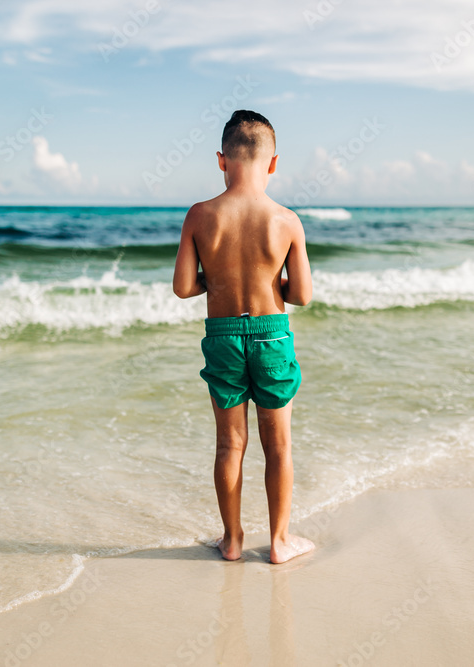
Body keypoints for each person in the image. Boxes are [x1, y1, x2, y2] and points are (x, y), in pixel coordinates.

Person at [172, 109, 315, 564]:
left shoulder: (200, 215)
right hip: (272, 334)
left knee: (229, 443)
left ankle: (232, 539)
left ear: (221, 160)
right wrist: (271, 285)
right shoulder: (287, 220)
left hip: (223, 334)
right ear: (273, 163)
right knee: (279, 445)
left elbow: (182, 287)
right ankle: (278, 542)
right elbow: (303, 295)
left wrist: (215, 282)